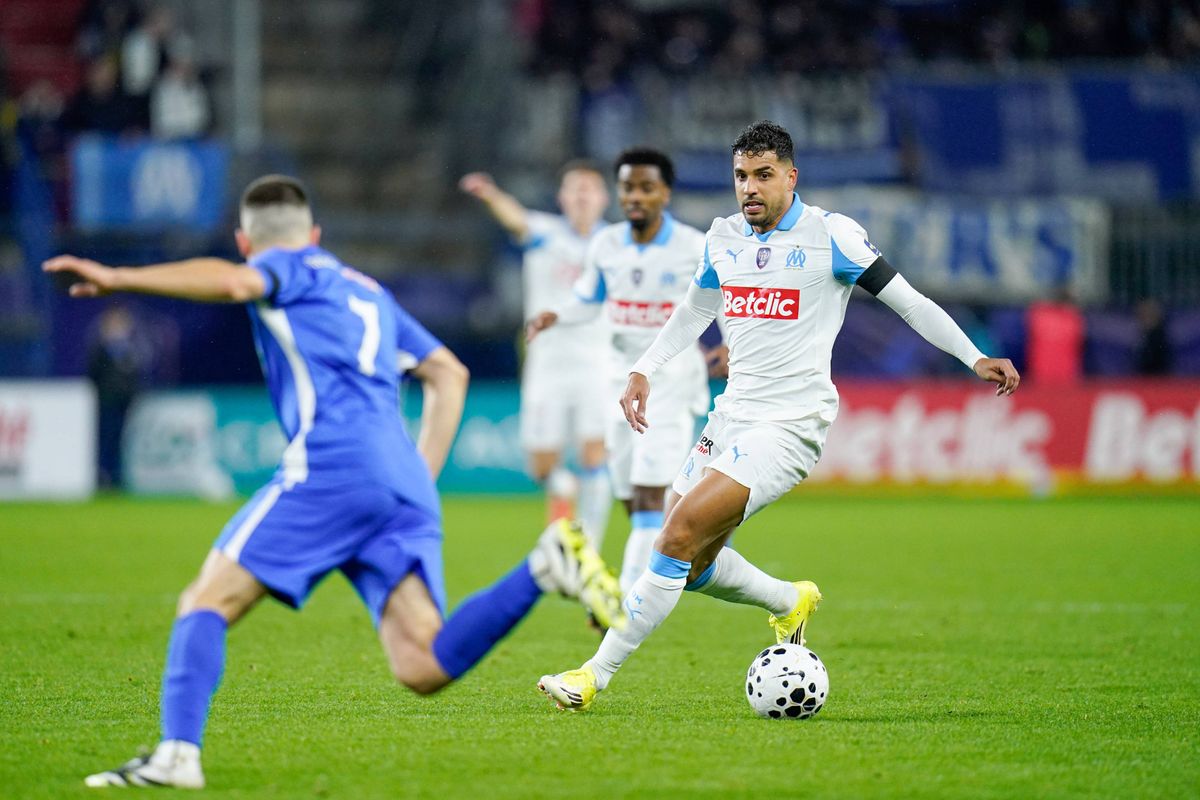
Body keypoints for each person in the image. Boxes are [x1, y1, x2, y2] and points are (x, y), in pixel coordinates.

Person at [44, 175, 623, 788]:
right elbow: (449, 373)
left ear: (247, 241)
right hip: (397, 474)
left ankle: (176, 756)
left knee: (204, 602)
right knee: (422, 663)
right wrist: (418, 477)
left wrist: (118, 278)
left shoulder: (282, 269)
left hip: (331, 464)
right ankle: (542, 565)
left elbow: (238, 283)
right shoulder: (367, 291)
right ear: (316, 233)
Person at [538, 121, 1020, 712]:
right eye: (741, 176)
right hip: (731, 417)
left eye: (764, 175)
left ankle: (592, 676)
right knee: (691, 564)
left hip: (790, 426)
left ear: (791, 178)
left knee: (676, 536)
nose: (750, 188)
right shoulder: (721, 240)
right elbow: (693, 312)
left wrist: (973, 356)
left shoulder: (831, 237)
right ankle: (789, 598)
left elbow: (909, 301)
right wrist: (645, 369)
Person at [526, 148, 710, 595]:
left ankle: (623, 604)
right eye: (628, 187)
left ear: (665, 193)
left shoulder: (692, 246)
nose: (635, 196)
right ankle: (697, 565)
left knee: (648, 494)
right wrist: (557, 314)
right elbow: (590, 298)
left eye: (646, 187)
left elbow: (717, 297)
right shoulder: (606, 245)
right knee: (632, 498)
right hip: (618, 381)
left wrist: (726, 342)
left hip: (670, 382)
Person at [460, 165, 612, 543]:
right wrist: (490, 194)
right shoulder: (545, 233)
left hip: (597, 362)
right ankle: (563, 490)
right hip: (548, 364)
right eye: (574, 189)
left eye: (588, 190)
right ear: (561, 198)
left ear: (603, 199)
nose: (581, 196)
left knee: (596, 454)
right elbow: (515, 218)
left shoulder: (615, 243)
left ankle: (586, 545)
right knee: (541, 465)